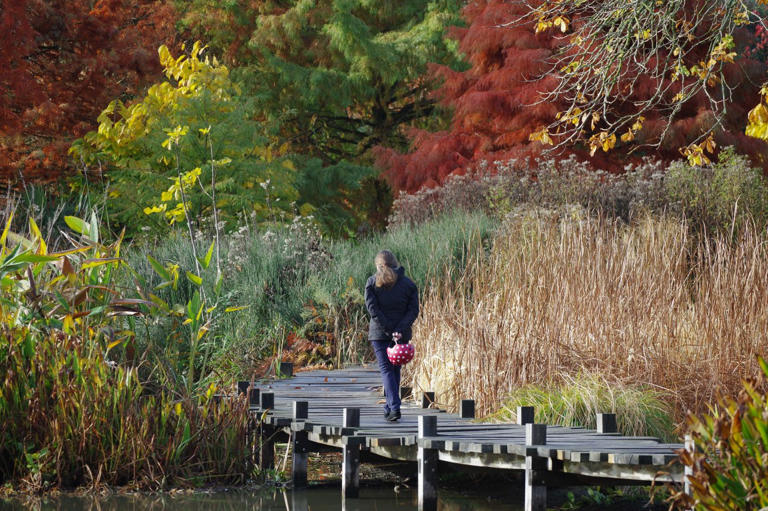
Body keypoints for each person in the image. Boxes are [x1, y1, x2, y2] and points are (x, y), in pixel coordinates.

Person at [365, 250, 419, 422]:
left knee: (387, 370)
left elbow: (373, 310)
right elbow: (413, 310)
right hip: (401, 334)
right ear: (395, 263)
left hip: (380, 334)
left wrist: (388, 329)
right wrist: (399, 330)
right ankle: (390, 406)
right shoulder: (408, 284)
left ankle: (394, 407)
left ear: (377, 265)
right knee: (395, 369)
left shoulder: (372, 283)